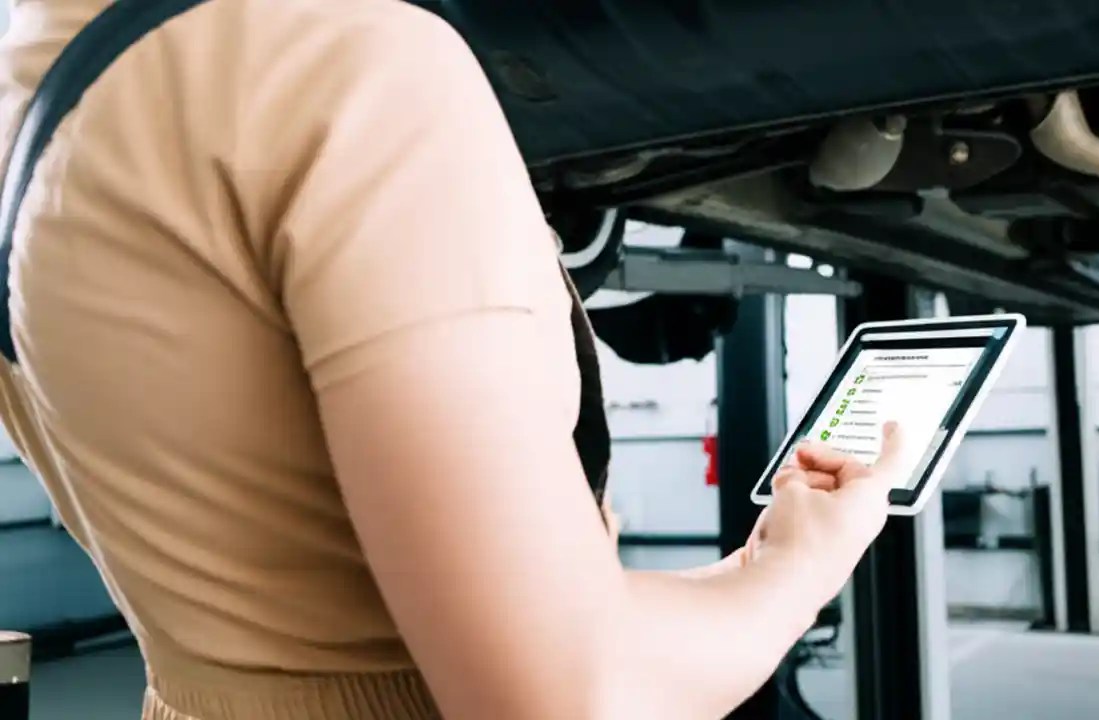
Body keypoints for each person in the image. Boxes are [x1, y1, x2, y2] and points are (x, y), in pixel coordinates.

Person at [0, 0, 906, 718]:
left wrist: (745, 572)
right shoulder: (355, 65)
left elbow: (320, 627)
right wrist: (801, 569)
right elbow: (571, 698)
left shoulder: (32, 85)